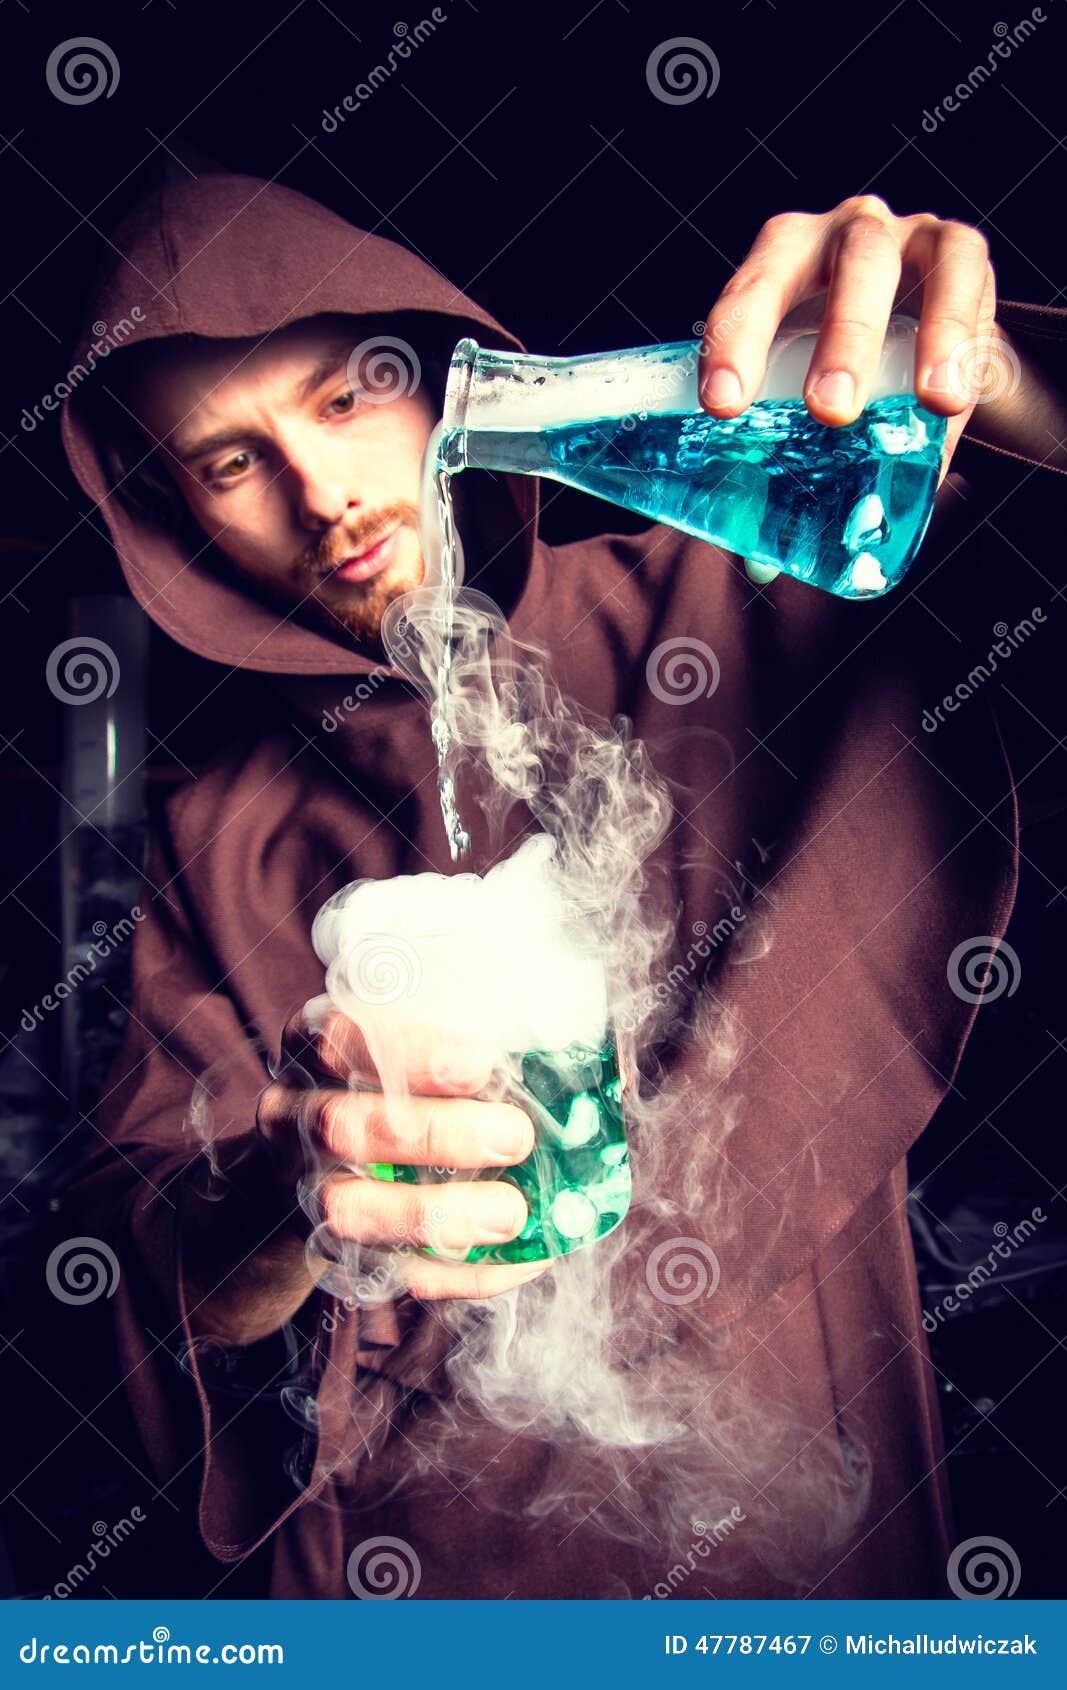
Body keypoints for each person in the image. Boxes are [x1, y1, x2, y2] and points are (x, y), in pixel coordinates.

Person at [52, 168, 1066, 1599]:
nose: (324, 492)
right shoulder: (202, 837)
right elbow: (141, 1281)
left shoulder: (740, 598)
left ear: (450, 366)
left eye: (347, 397)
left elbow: (1007, 544)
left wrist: (1006, 373)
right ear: (171, 517)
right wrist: (291, 1193)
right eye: (229, 462)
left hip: (800, 1567)